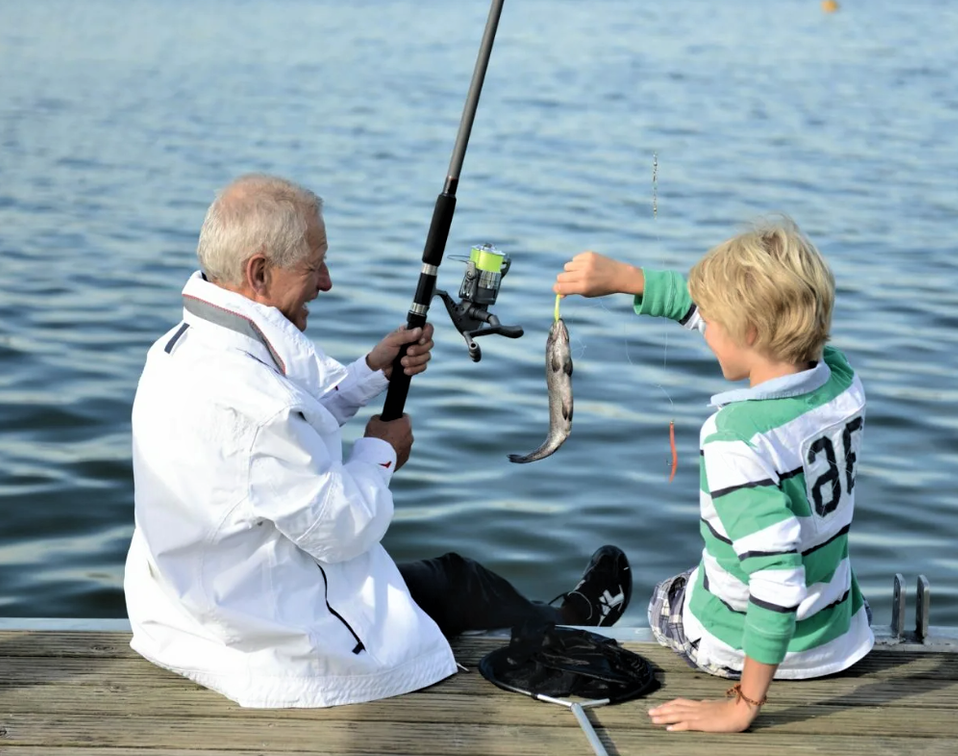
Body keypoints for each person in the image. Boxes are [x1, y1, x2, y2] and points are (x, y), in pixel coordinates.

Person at [123, 174, 632, 709]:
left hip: (192, 607)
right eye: (314, 264)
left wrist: (370, 373)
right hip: (272, 633)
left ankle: (556, 615)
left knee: (444, 582)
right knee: (457, 580)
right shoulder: (258, 406)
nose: (327, 281)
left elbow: (286, 422)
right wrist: (381, 452)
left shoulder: (178, 350)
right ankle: (574, 619)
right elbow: (341, 530)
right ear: (258, 272)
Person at [554, 216, 873, 733]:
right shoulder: (840, 381)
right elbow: (739, 319)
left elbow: (777, 579)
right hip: (839, 633)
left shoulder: (734, 438)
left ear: (748, 332)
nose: (704, 327)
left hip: (751, 651)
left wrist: (744, 704)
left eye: (712, 320)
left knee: (668, 596)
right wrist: (628, 279)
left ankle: (587, 610)